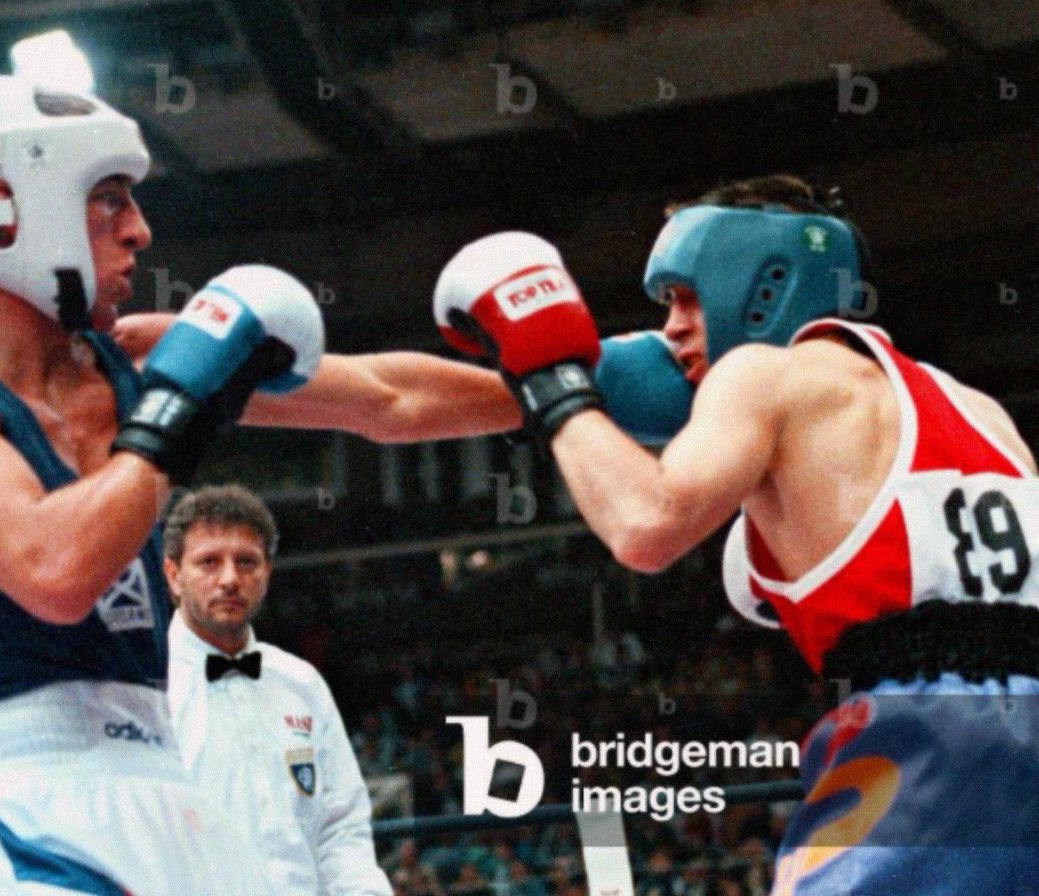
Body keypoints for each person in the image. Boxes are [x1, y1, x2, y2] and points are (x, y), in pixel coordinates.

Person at [0, 73, 514, 894]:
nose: (140, 230)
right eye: (108, 199)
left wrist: (582, 387)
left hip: (175, 795)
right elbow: (54, 570)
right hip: (36, 811)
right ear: (4, 208)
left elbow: (385, 398)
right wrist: (176, 410)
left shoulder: (132, 360)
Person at [430, 175, 1039, 894]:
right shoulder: (978, 411)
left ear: (763, 282)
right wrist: (303, 378)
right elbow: (407, 399)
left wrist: (552, 384)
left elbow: (645, 525)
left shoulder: (760, 375)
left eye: (686, 298)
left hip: (936, 739)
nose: (672, 328)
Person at [162, 483, 392, 896]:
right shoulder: (145, 687)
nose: (230, 579)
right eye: (209, 562)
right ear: (174, 575)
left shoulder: (301, 683)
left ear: (266, 573)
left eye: (246, 562)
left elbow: (340, 825)